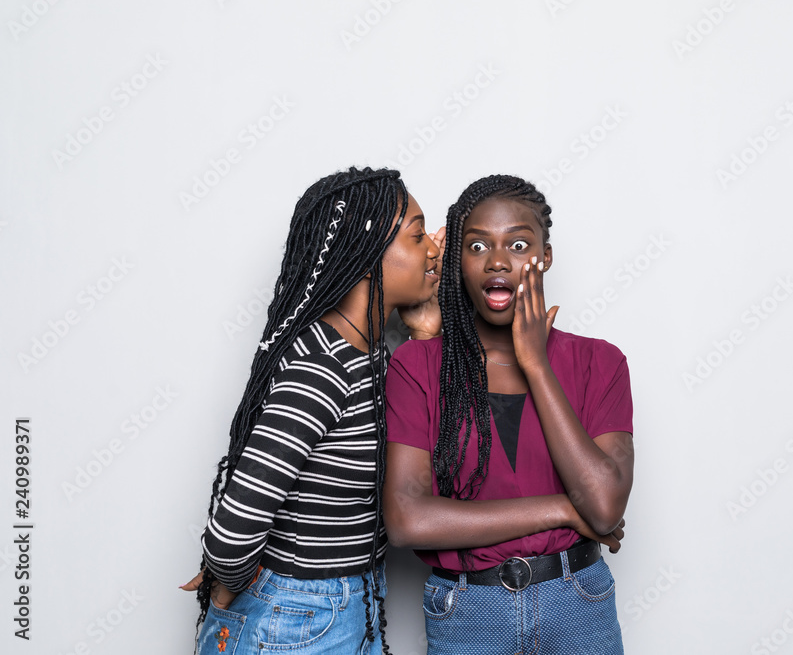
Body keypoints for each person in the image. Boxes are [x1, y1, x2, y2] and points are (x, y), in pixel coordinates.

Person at [181, 167, 444, 655]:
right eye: (417, 235)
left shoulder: (372, 356)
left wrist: (426, 333)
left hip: (346, 605)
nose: (433, 248)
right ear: (368, 257)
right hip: (291, 618)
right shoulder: (324, 368)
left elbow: (426, 469)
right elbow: (232, 533)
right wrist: (236, 591)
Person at [384, 174, 634, 655]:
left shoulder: (599, 362)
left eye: (518, 244)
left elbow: (604, 508)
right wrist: (563, 509)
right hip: (468, 612)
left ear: (546, 256)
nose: (498, 262)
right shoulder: (418, 364)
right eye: (476, 246)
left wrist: (535, 363)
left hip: (578, 602)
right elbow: (406, 518)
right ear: (457, 260)